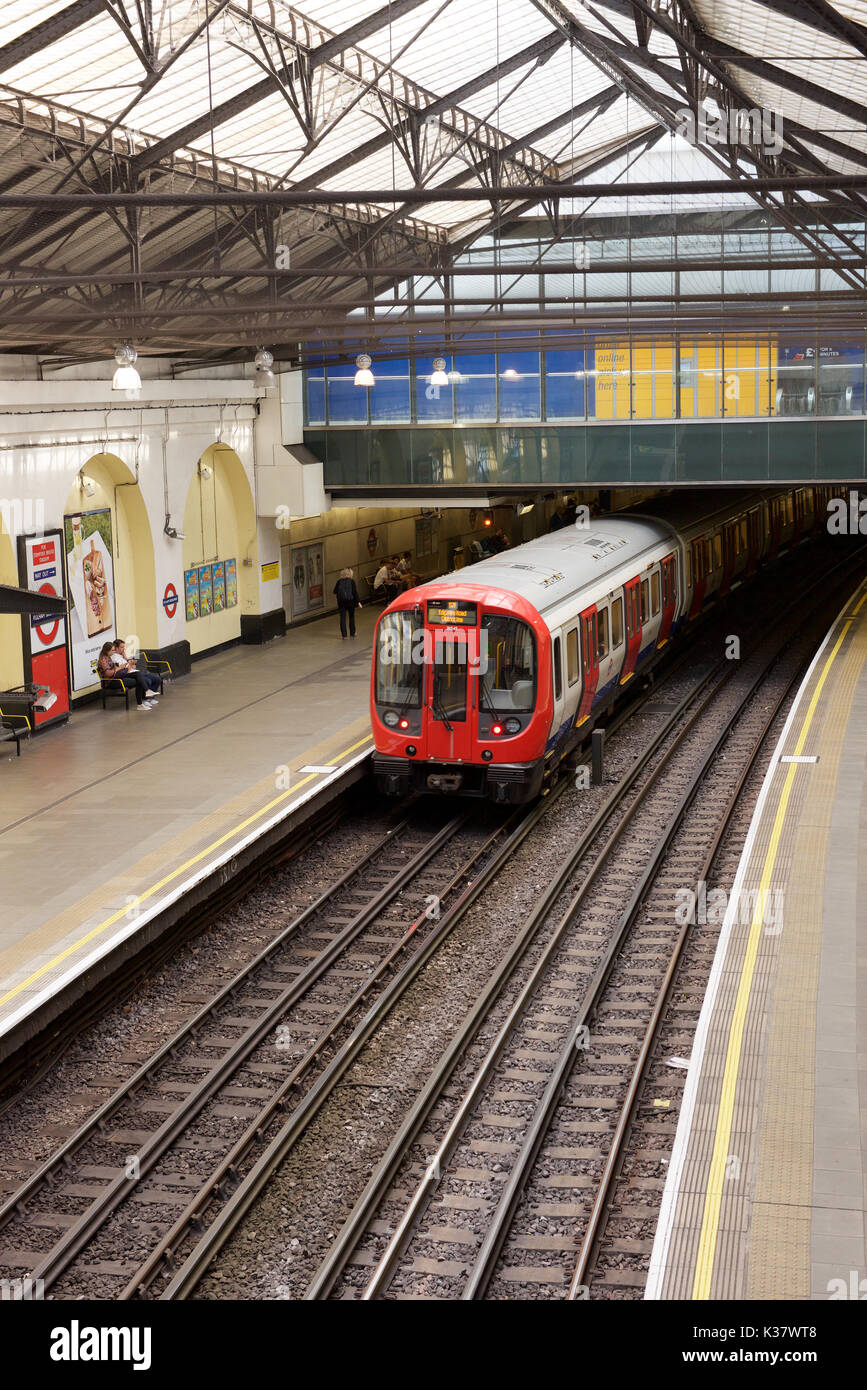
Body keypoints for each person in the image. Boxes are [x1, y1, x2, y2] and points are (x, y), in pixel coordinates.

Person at [97, 642, 155, 711]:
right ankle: (140, 704)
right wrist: (120, 668)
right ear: (107, 650)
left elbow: (115, 669)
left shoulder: (108, 657)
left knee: (138, 674)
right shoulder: (103, 660)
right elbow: (108, 674)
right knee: (138, 681)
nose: (114, 652)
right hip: (112, 681)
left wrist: (124, 660)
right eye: (112, 650)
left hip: (117, 677)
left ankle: (147, 690)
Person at [334, 567, 362, 638]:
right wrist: (358, 602)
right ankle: (352, 633)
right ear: (350, 574)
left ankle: (344, 635)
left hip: (341, 602)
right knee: (351, 617)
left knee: (342, 618)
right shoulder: (351, 581)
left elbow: (334, 591)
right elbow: (354, 592)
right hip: (350, 602)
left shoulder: (339, 581)